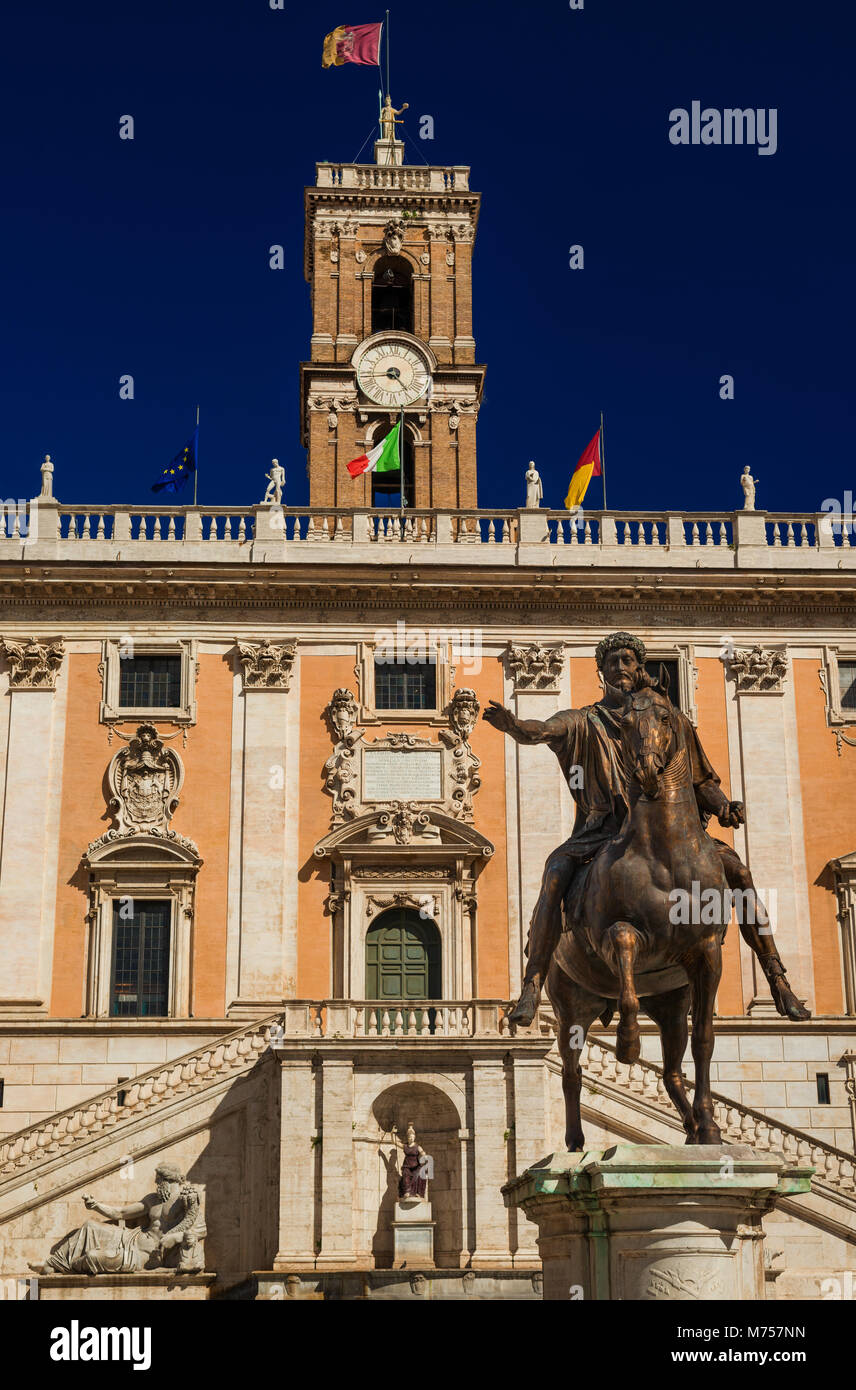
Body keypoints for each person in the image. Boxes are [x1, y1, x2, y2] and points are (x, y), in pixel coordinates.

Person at [483, 631, 810, 1026]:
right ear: (600, 671)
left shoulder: (672, 720)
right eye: (611, 662)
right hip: (602, 834)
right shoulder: (585, 721)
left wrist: (724, 807)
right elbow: (543, 730)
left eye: (627, 661)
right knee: (555, 873)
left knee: (739, 872)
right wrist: (515, 726)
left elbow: (702, 781)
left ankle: (776, 977)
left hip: (672, 835)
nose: (620, 668)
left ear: (640, 668)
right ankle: (533, 983)